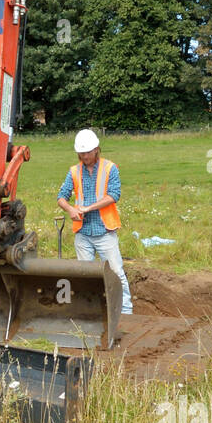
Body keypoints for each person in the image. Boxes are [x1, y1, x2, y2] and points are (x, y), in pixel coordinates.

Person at [57, 128, 133, 316]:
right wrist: (71, 209)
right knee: (85, 275)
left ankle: (125, 311)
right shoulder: (74, 171)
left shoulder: (109, 168)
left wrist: (88, 208)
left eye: (88, 152)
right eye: (81, 153)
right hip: (82, 232)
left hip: (104, 231)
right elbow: (61, 197)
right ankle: (90, 311)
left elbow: (114, 195)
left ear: (97, 149)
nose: (84, 156)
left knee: (116, 272)